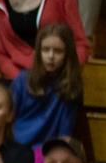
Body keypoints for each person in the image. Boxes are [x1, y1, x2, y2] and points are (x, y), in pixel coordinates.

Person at [10, 23, 84, 151]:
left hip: (47, 152)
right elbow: (8, 119)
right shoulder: (22, 80)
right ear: (38, 52)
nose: (50, 56)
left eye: (58, 51)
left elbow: (64, 133)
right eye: (45, 50)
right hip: (16, 148)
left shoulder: (71, 86)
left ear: (68, 54)